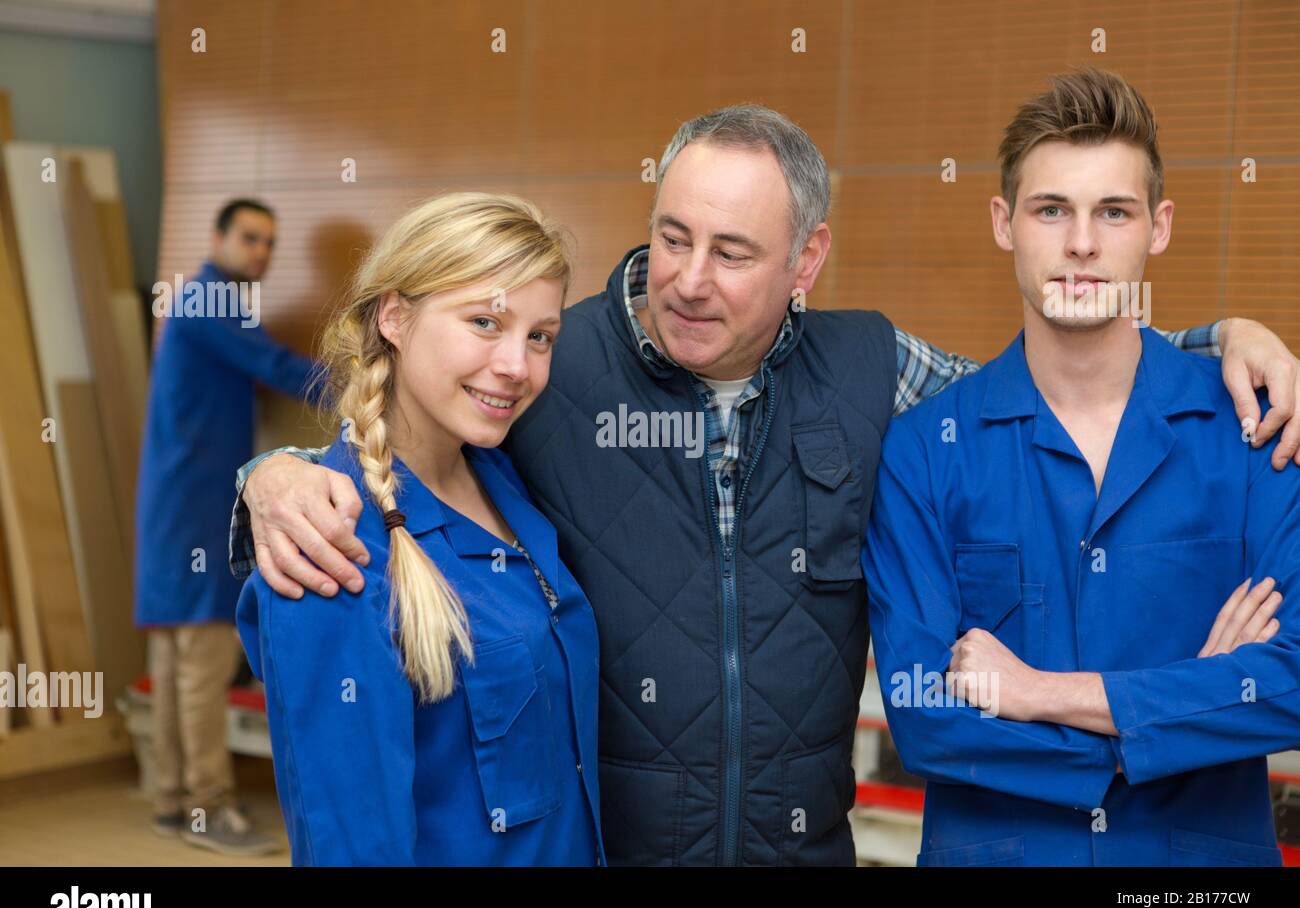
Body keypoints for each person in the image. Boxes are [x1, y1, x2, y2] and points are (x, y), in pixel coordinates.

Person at [228, 106, 1300, 866]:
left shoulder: (875, 371)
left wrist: (1213, 346)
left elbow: (1060, 375)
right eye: (672, 237)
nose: (688, 279)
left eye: (734, 251)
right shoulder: (557, 370)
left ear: (806, 260)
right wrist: (267, 476)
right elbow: (405, 441)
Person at [863, 68, 1300, 866]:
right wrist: (1178, 707)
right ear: (1004, 222)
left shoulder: (1254, 427)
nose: (1082, 244)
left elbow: (1294, 681)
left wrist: (1042, 693)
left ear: (1158, 227)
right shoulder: (926, 450)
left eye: (1114, 212)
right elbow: (926, 717)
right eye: (1052, 209)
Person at [235, 193, 603, 865]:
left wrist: (264, 467)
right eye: (485, 322)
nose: (517, 366)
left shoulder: (510, 480)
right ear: (396, 316)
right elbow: (352, 845)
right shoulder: (330, 547)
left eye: (539, 336)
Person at [135, 198, 315, 855]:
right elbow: (279, 367)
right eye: (249, 238)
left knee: (179, 657)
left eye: (269, 241)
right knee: (204, 660)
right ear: (218, 238)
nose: (261, 252)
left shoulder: (198, 302)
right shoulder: (214, 302)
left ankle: (172, 803)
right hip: (196, 508)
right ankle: (208, 809)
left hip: (173, 503)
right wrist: (366, 390)